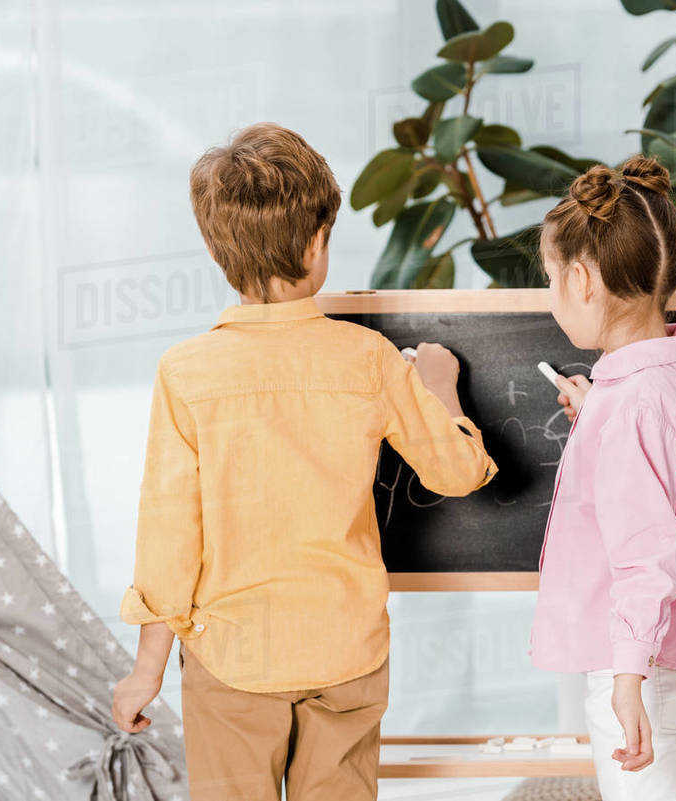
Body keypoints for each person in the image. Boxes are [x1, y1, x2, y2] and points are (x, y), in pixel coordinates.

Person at [109, 122, 498, 801]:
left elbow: (167, 536)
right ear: (318, 243)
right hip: (345, 651)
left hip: (231, 661)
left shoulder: (185, 374)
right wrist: (441, 390)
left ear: (213, 248)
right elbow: (457, 472)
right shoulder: (369, 360)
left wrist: (146, 671)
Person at [528, 155, 676, 801]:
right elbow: (668, 485)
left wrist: (625, 679)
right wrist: (599, 415)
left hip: (635, 663)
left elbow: (646, 556)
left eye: (552, 280)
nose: (552, 296)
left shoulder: (631, 407)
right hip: (665, 660)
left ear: (584, 279)